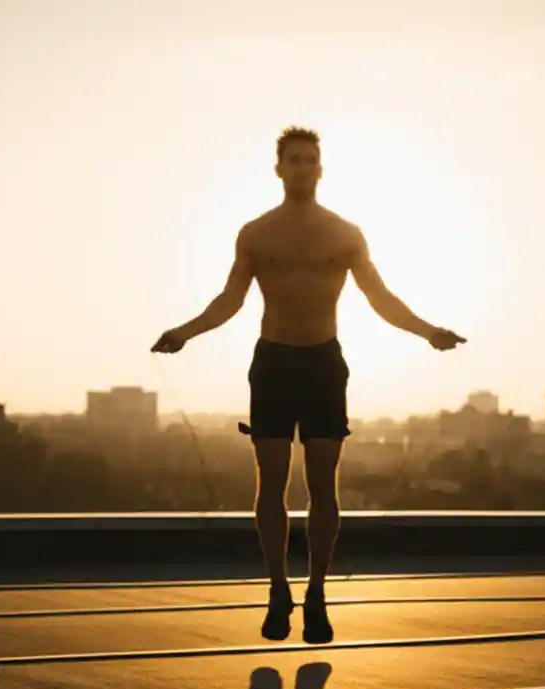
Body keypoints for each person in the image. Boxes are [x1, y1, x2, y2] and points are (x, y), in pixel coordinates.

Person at [151, 126, 466, 644]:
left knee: (324, 485)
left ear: (321, 169)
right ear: (279, 169)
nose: (302, 167)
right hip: (274, 362)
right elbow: (230, 299)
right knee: (271, 482)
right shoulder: (255, 234)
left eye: (310, 159)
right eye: (293, 159)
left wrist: (428, 331)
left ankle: (317, 593)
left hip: (323, 362)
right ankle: (278, 589)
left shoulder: (345, 234)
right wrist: (184, 332)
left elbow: (380, 298)